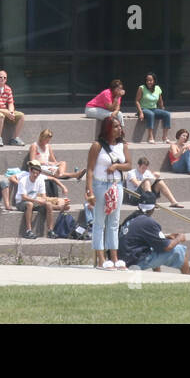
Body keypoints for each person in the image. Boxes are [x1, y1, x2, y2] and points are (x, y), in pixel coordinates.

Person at [85, 115, 132, 269]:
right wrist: (89, 191)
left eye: (120, 126)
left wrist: (116, 167)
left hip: (116, 185)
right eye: (116, 126)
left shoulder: (122, 145)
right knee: (99, 222)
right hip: (100, 185)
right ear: (108, 129)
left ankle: (114, 257)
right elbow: (90, 169)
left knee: (114, 222)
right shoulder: (97, 146)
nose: (119, 129)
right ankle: (100, 259)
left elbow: (129, 164)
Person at [118, 196, 190, 275]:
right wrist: (179, 238)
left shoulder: (131, 218)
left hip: (123, 260)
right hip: (135, 262)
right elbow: (167, 247)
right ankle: (188, 278)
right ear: (153, 208)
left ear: (139, 206)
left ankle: (157, 275)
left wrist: (166, 237)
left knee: (155, 246)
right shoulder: (148, 222)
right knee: (180, 250)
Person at [15, 161, 69, 239]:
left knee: (48, 204)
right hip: (21, 202)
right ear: (30, 171)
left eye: (37, 173)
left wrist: (44, 201)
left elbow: (43, 196)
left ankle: (50, 230)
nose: (35, 175)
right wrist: (37, 201)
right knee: (30, 204)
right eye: (33, 173)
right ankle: (28, 231)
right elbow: (23, 197)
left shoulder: (40, 180)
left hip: (35, 201)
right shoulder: (23, 180)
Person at [0, 70, 26, 146]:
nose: (2, 79)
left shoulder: (8, 89)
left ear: (6, 79)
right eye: (0, 77)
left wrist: (11, 112)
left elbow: (10, 103)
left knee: (21, 116)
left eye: (4, 78)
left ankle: (14, 139)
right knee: (0, 116)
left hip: (4, 110)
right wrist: (5, 112)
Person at [134, 72, 171, 144]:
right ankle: (150, 137)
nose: (148, 82)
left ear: (154, 81)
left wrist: (162, 108)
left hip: (154, 109)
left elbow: (160, 101)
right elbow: (137, 101)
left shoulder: (157, 88)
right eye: (147, 80)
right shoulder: (142, 88)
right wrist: (140, 112)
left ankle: (165, 137)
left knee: (167, 114)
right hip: (143, 109)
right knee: (151, 114)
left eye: (150, 80)